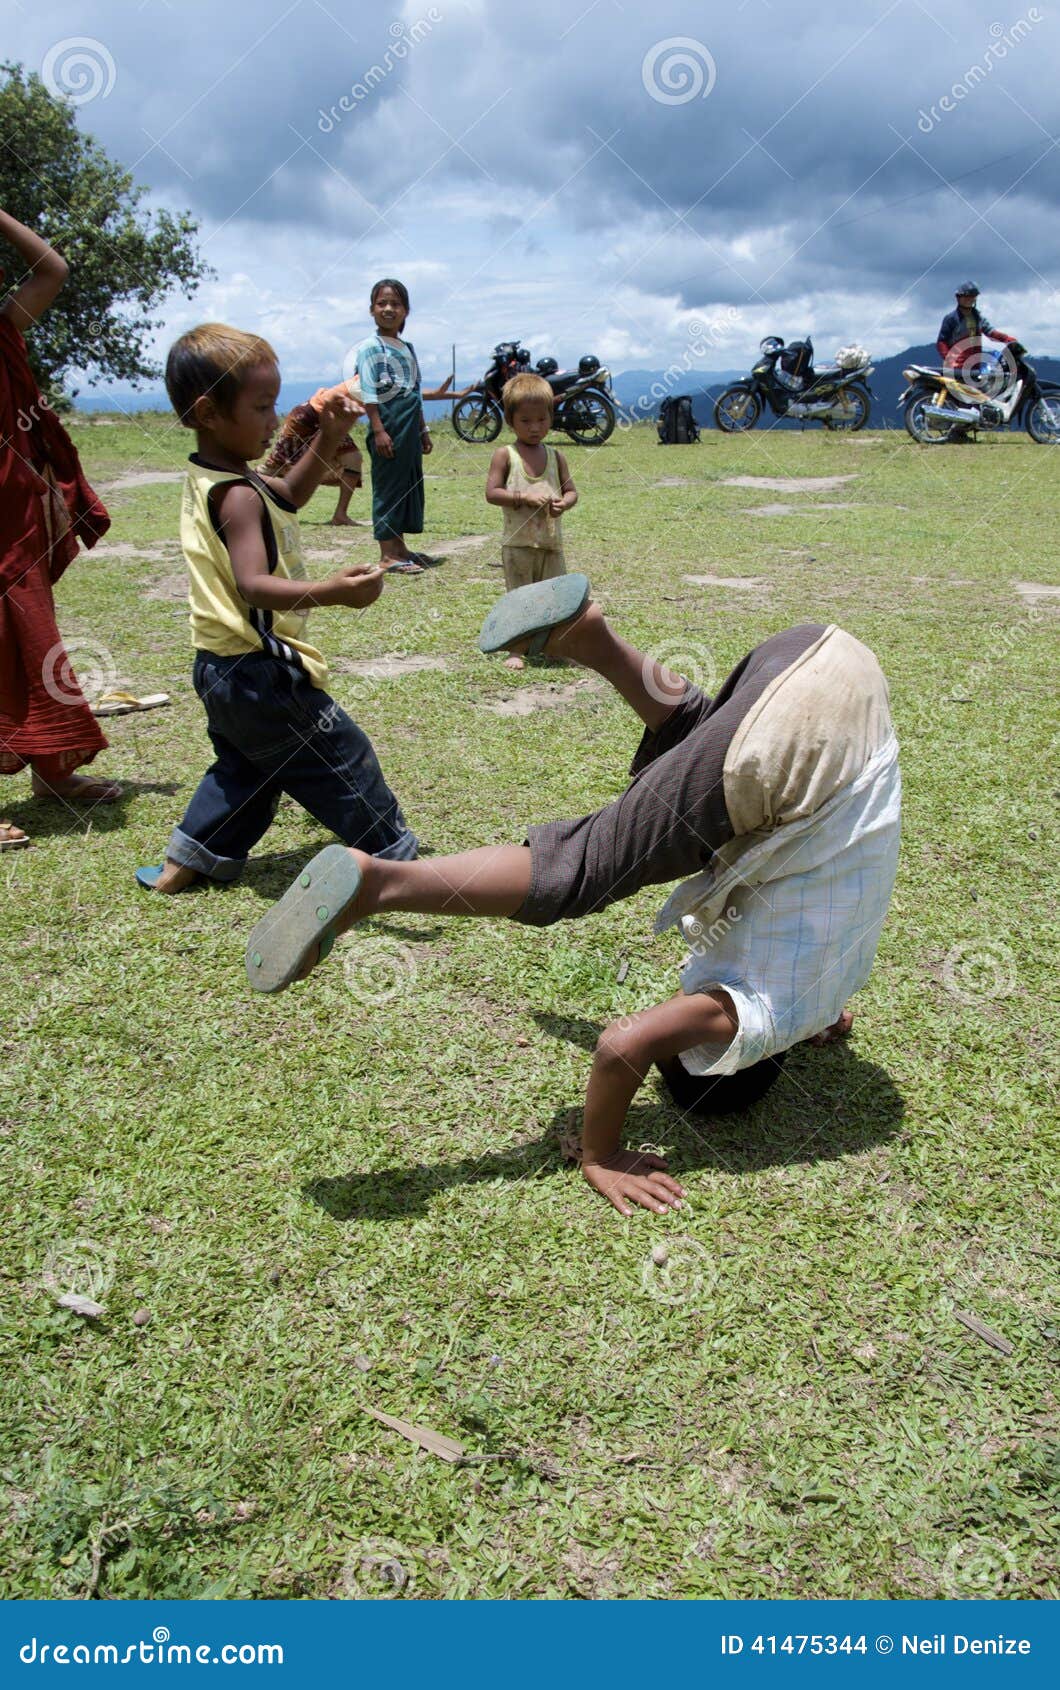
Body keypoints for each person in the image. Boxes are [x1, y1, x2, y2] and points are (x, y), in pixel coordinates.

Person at [245, 578, 901, 1217]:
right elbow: (624, 1046)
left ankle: (590, 638)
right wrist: (601, 1153)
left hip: (824, 660)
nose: (683, 1008)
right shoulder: (759, 1013)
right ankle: (380, 884)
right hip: (802, 745)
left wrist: (819, 1022)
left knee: (704, 734)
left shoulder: (830, 984)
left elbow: (817, 989)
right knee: (588, 863)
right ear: (727, 1057)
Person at [135, 322, 417, 893]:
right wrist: (335, 592)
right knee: (339, 752)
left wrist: (330, 431)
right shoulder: (236, 495)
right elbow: (255, 586)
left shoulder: (224, 475)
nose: (273, 420)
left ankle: (189, 860)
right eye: (262, 407)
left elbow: (287, 493)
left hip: (217, 666)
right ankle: (396, 859)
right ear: (209, 412)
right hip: (259, 670)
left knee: (249, 768)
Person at [0, 207, 121, 849]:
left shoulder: (2, 328)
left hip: (12, 514)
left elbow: (52, 268)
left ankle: (52, 769)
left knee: (30, 637)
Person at [485, 372, 577, 671]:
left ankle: (555, 647)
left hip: (551, 544)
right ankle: (517, 649)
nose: (535, 428)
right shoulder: (505, 455)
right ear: (510, 420)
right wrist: (522, 497)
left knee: (554, 598)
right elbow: (492, 493)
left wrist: (564, 503)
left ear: (551, 418)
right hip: (519, 544)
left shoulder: (555, 456)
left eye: (542, 420)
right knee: (520, 599)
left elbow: (572, 491)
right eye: (526, 421)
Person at [355, 279, 440, 576]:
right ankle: (387, 555)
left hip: (409, 425)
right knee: (388, 487)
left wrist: (423, 430)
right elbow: (368, 391)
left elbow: (414, 392)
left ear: (406, 311)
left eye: (396, 304)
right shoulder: (369, 348)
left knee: (406, 486)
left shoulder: (408, 348)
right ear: (372, 310)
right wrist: (378, 430)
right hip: (387, 423)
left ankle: (400, 548)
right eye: (382, 303)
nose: (389, 309)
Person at [937, 282, 1021, 441]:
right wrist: (948, 358)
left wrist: (1007, 339)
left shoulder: (977, 316)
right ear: (959, 298)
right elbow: (941, 341)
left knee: (977, 397)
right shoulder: (950, 319)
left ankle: (961, 432)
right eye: (966, 296)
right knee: (963, 398)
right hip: (957, 365)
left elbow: (990, 332)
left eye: (972, 297)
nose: (969, 299)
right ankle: (956, 432)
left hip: (975, 364)